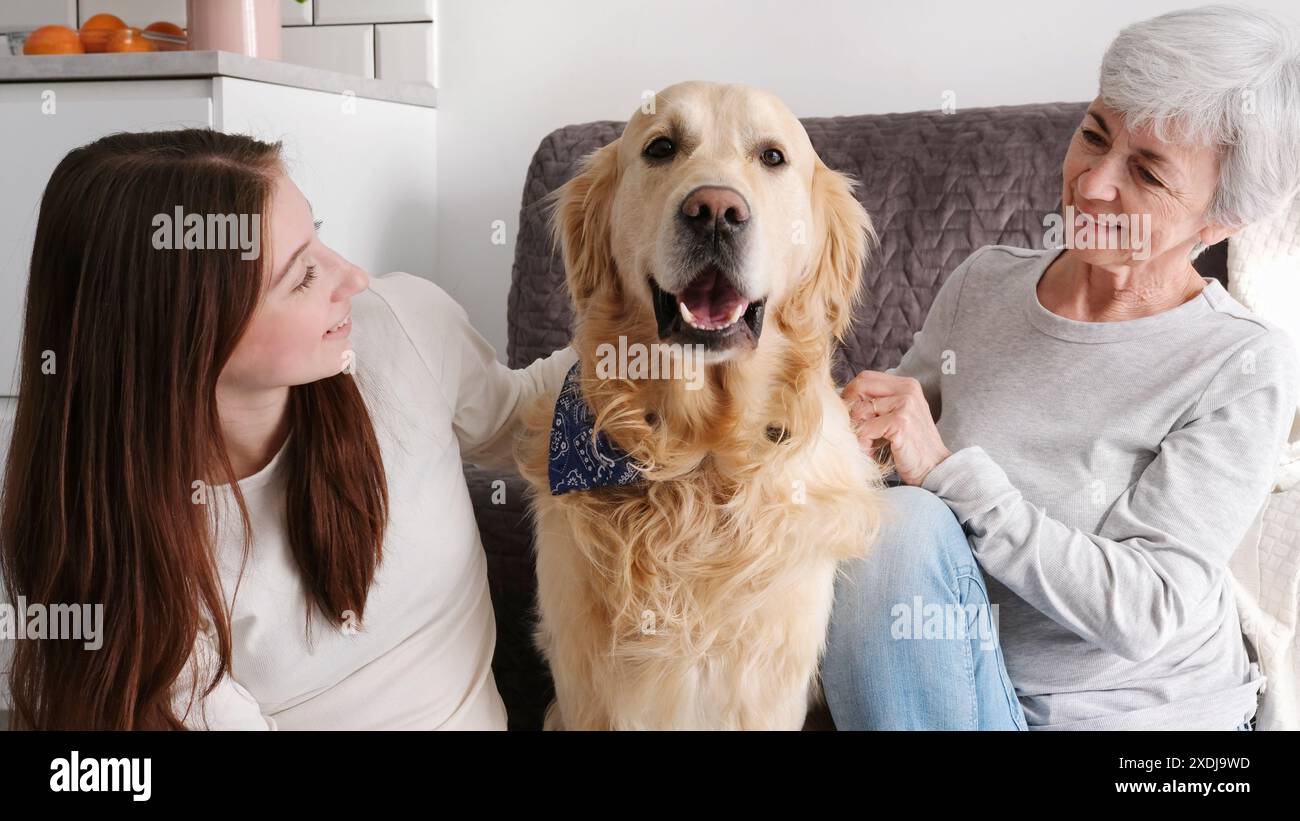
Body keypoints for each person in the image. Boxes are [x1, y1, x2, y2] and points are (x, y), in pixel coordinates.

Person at [823, 5, 1300, 730]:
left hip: (1147, 730)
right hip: (966, 688)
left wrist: (950, 473)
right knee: (893, 525)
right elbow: (888, 446)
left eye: (1146, 172)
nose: (1091, 182)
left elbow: (1147, 609)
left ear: (1220, 221)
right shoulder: (984, 282)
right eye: (1094, 133)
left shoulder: (1241, 362)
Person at [0, 129, 575, 729]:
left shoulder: (402, 327)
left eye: (318, 236)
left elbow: (524, 421)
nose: (351, 277)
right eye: (301, 277)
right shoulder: (122, 562)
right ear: (188, 341)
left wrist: (652, 327)